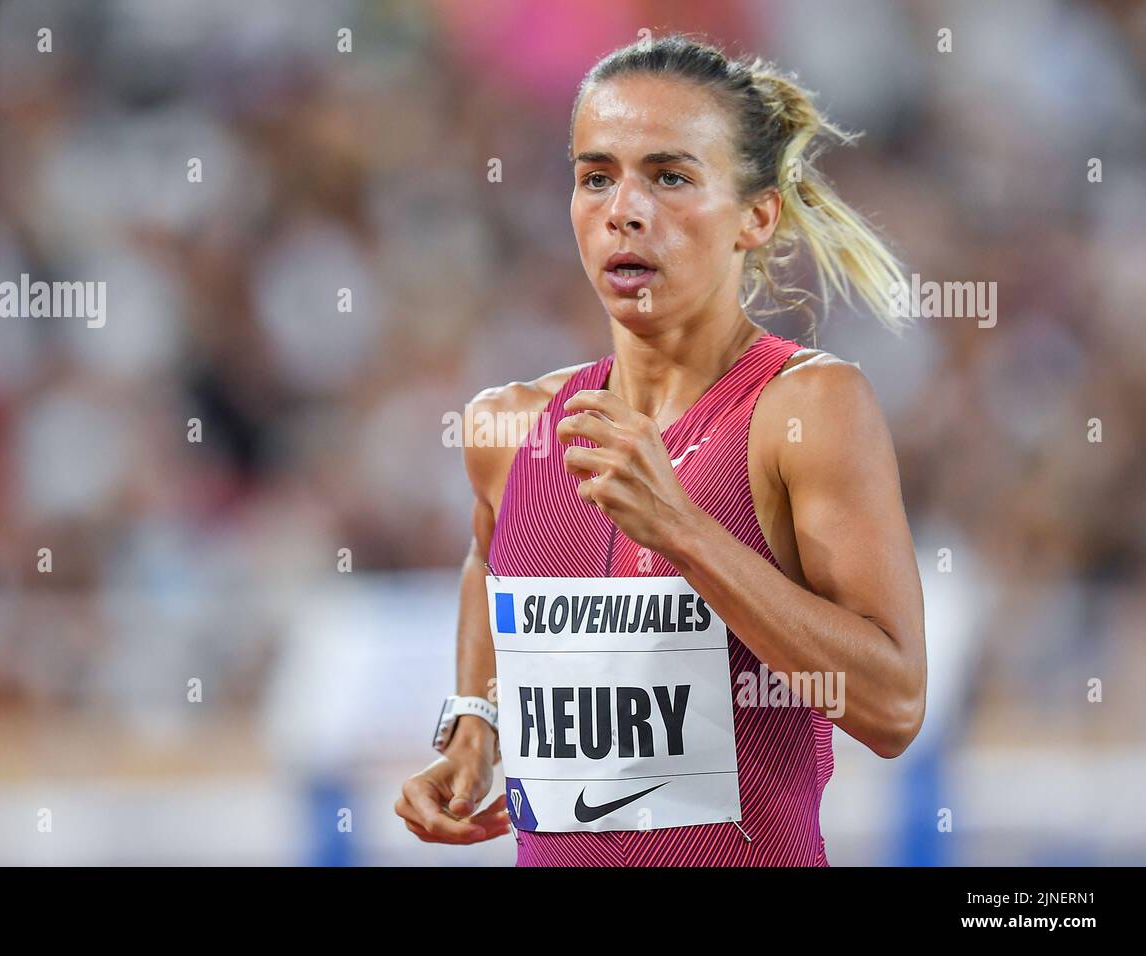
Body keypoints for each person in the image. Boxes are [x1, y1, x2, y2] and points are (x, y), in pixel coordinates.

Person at [395, 34, 926, 866]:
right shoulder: (508, 426)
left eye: (671, 177)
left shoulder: (807, 408)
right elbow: (489, 559)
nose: (625, 210)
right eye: (596, 177)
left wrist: (685, 533)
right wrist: (475, 724)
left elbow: (893, 708)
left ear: (758, 215)